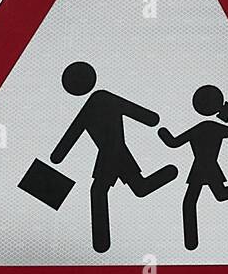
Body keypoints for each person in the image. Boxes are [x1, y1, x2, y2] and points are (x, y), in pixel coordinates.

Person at [50, 61, 177, 253]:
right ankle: (170, 172)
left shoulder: (98, 100)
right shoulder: (101, 99)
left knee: (99, 191)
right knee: (137, 188)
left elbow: (72, 134)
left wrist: (58, 156)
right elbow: (146, 116)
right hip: (117, 153)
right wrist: (58, 156)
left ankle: (101, 246)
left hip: (111, 153)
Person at [159, 84, 228, 251]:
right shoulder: (215, 128)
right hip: (207, 167)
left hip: (202, 168)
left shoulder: (201, 128)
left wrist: (163, 133)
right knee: (217, 195)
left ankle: (191, 243)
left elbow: (174, 142)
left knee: (190, 202)